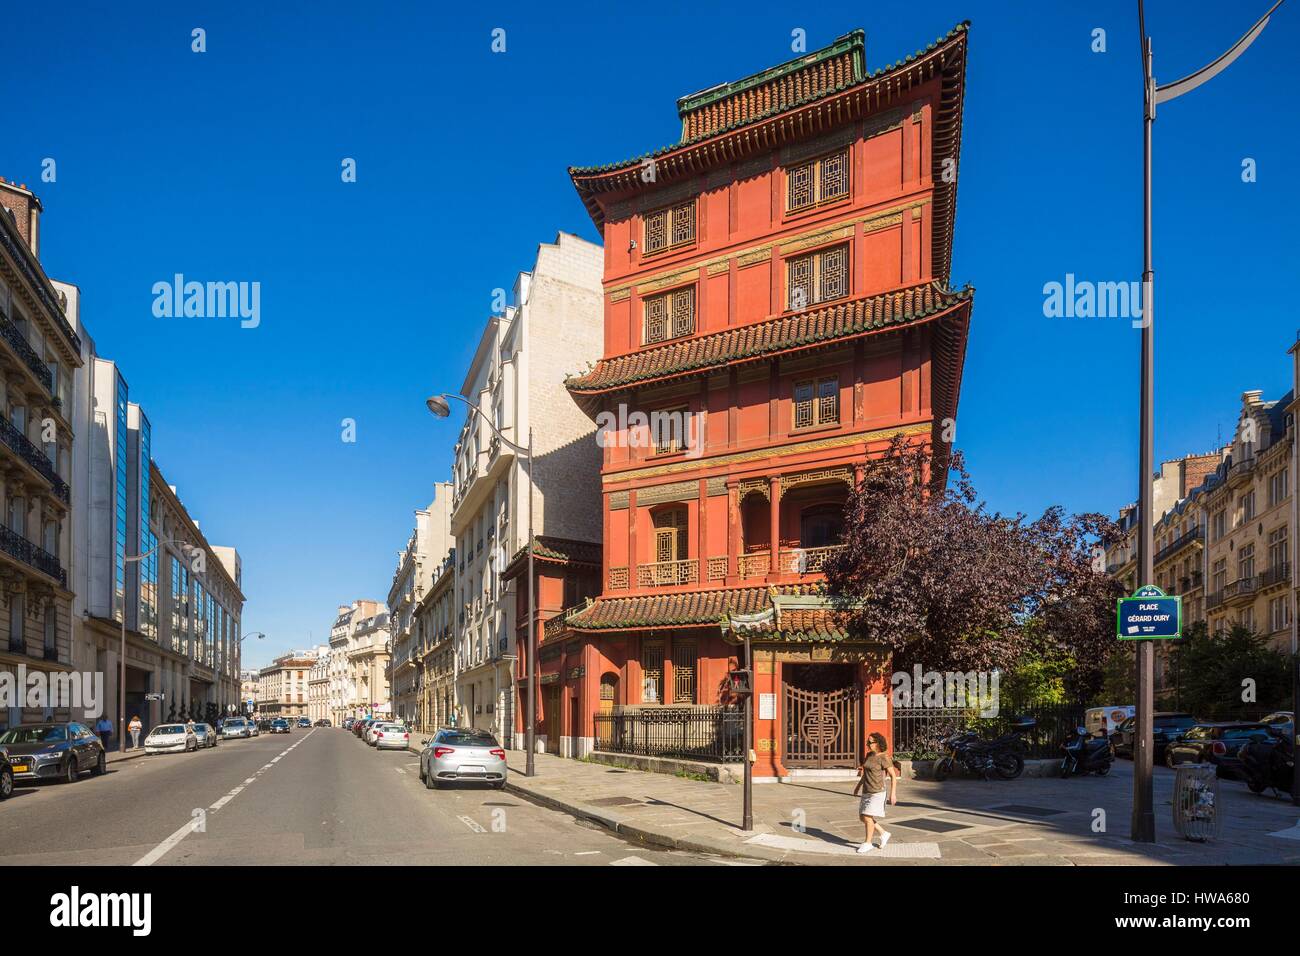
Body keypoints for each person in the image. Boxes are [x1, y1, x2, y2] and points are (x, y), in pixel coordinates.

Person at [852, 732, 899, 854]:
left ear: (878, 743)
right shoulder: (869, 755)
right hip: (866, 790)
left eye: (870, 742)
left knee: (867, 816)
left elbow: (893, 776)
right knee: (863, 817)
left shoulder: (884, 757)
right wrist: (857, 787)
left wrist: (892, 794)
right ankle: (884, 833)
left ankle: (867, 843)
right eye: (868, 742)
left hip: (877, 792)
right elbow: (865, 774)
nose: (868, 744)